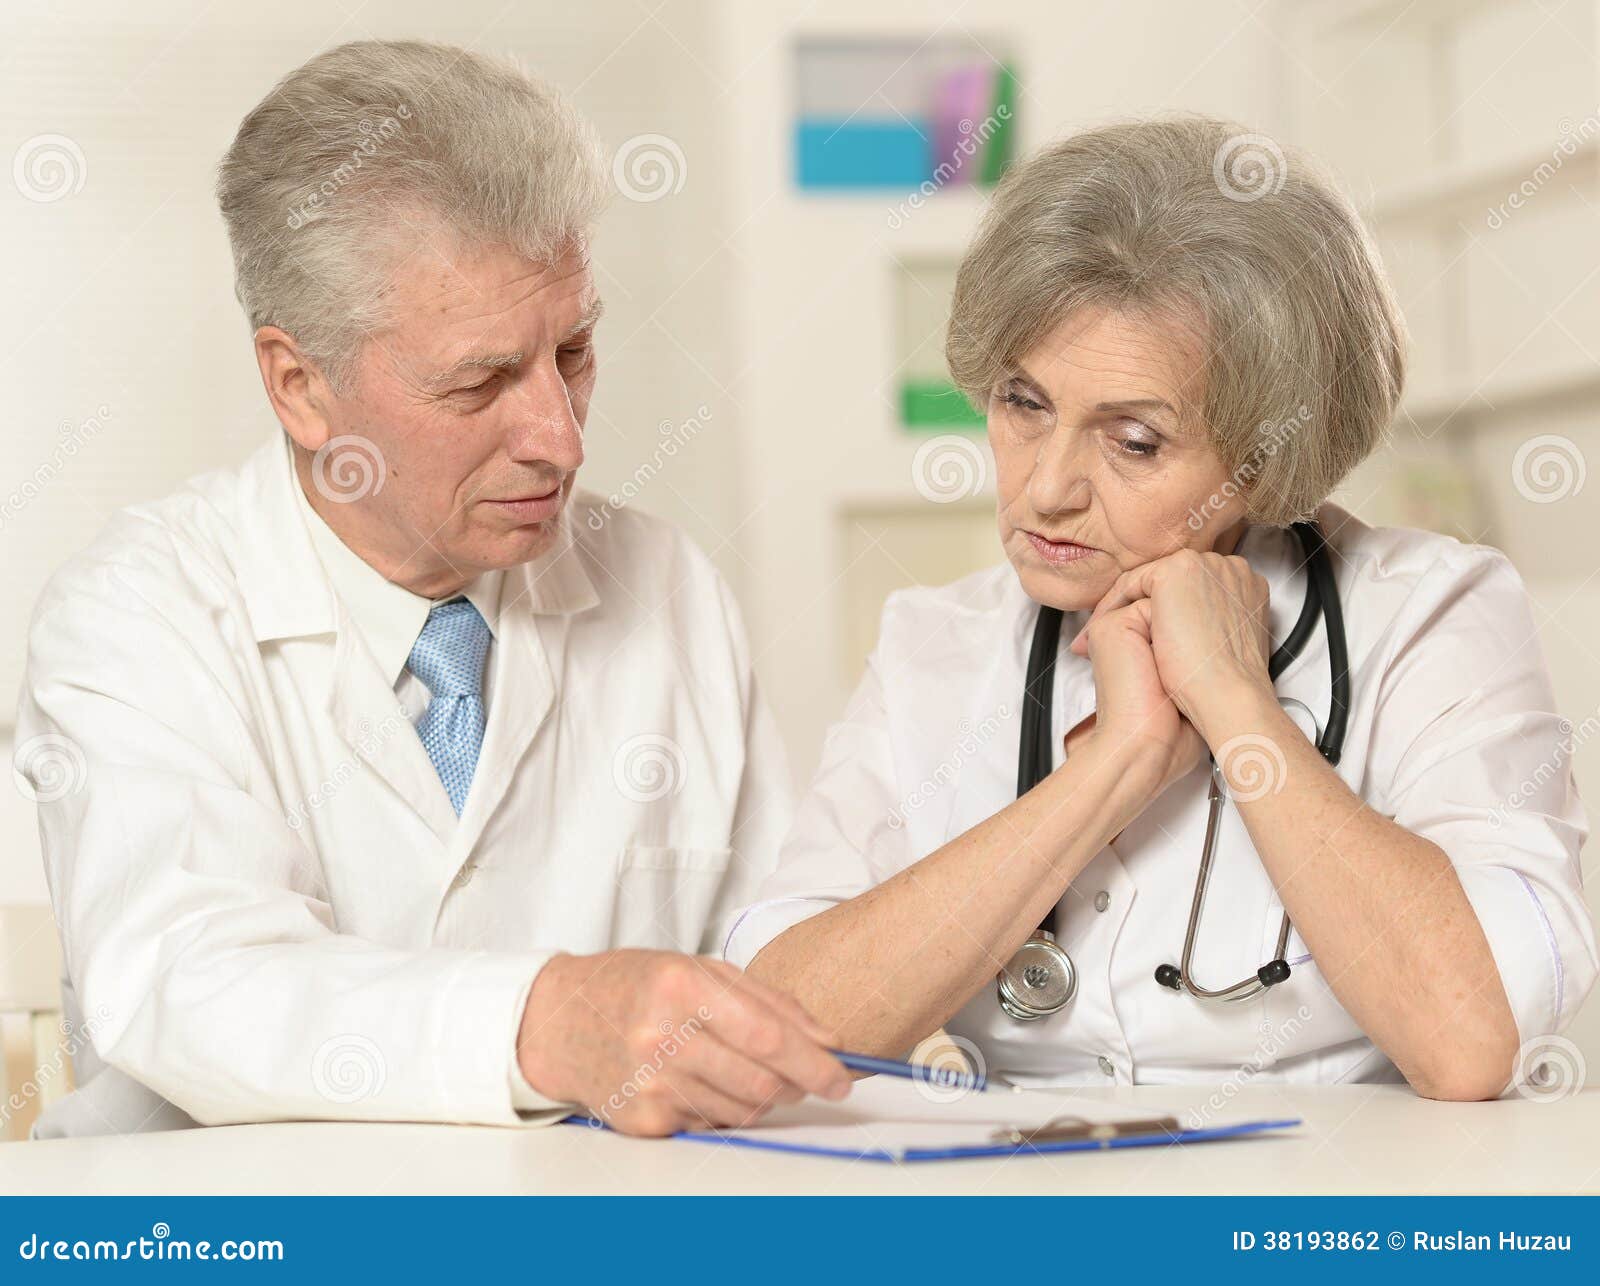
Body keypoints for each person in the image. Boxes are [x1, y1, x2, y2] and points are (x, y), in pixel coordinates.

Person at [14, 39, 848, 1140]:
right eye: (481, 380)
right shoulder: (136, 616)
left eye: (575, 350)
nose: (557, 437)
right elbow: (188, 980)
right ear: (300, 386)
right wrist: (544, 1018)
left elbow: (769, 973)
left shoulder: (669, 589)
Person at [727, 116, 1598, 1101]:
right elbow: (774, 1025)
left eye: (1133, 441)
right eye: (1022, 402)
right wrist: (1114, 765)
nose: (1046, 485)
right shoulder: (937, 642)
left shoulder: (1426, 613)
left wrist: (1237, 709)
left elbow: (1472, 1038)